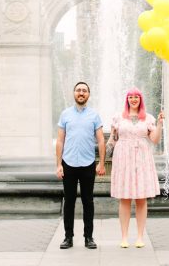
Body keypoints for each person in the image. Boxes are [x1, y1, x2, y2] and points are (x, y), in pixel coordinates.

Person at [108, 87, 163, 248]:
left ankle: (140, 237)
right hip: (123, 157)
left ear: (140, 99)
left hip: (142, 158)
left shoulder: (148, 118)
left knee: (141, 198)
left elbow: (154, 140)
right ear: (127, 99)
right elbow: (113, 139)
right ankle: (124, 237)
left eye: (136, 97)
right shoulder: (118, 117)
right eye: (130, 97)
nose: (133, 99)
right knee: (124, 198)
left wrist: (159, 124)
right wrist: (103, 157)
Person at [56, 81, 106, 249]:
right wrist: (58, 164)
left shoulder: (94, 115)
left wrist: (101, 163)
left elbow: (100, 140)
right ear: (74, 93)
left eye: (84, 90)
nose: (81, 93)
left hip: (88, 164)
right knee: (69, 201)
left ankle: (89, 237)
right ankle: (68, 237)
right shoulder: (65, 114)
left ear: (88, 95)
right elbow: (60, 140)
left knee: (88, 202)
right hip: (68, 163)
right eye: (78, 90)